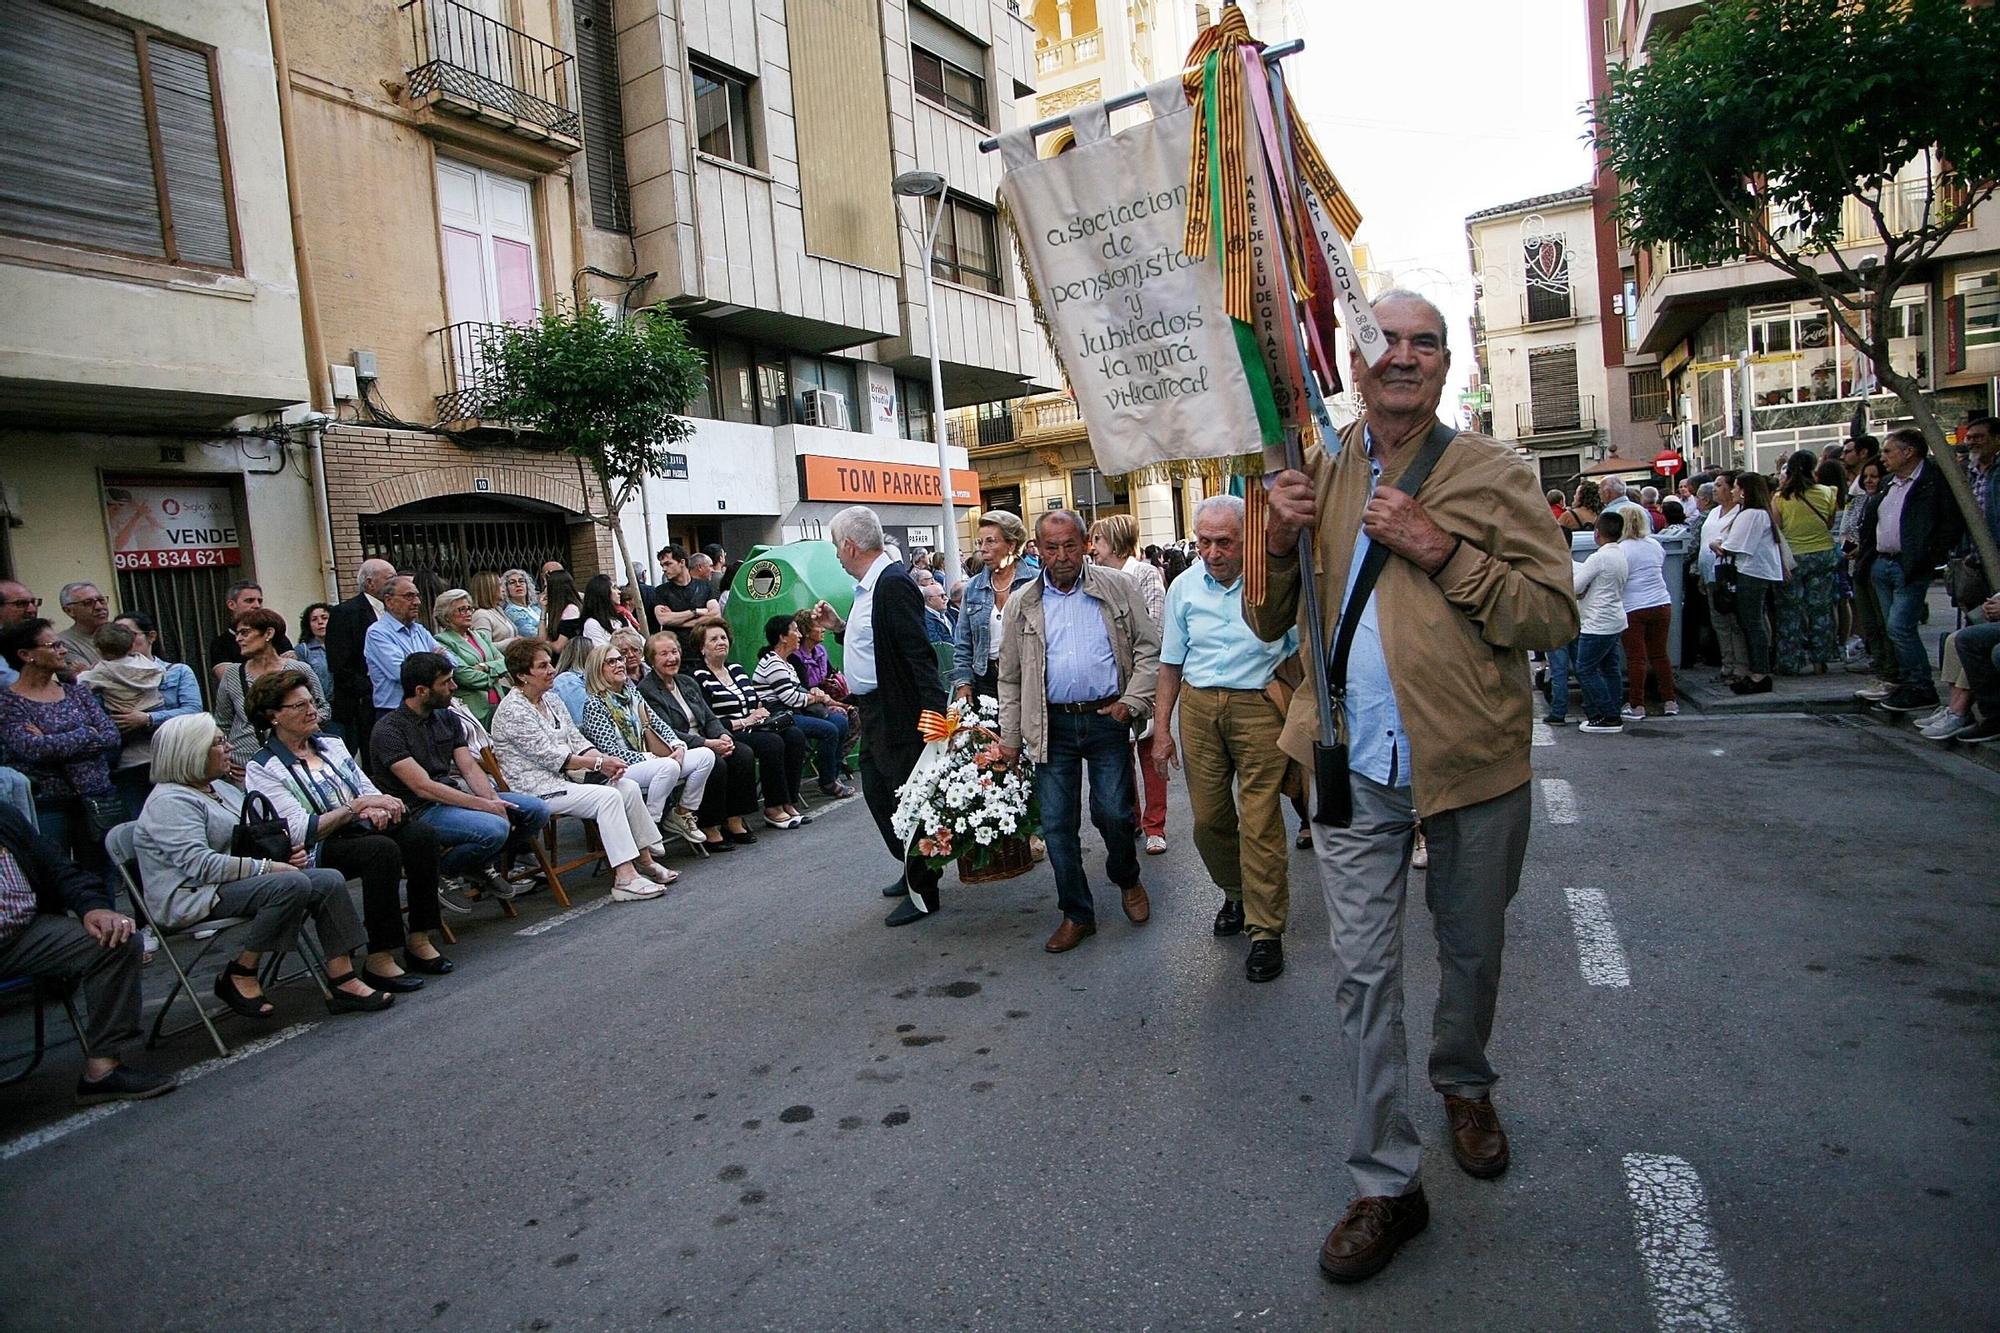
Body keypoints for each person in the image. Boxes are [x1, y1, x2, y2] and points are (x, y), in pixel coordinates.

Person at [1251, 290, 1578, 1282]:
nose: (1400, 356)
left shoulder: (1494, 472)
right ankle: (1384, 1183)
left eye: (1421, 344)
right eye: (1383, 341)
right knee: (1360, 975)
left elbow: (1551, 614)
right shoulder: (1315, 470)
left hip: (1471, 766)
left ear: (1444, 365)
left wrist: (1443, 550)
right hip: (1349, 765)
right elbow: (1270, 621)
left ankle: (1463, 1080)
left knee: (1470, 950)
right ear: (1355, 361)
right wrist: (1273, 538)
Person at [134, 714, 391, 1017]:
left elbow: (252, 837)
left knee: (327, 880)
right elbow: (199, 866)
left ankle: (342, 977)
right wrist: (267, 867)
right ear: (192, 751)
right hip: (192, 894)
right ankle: (242, 970)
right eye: (218, 742)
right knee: (291, 883)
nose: (229, 747)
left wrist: (283, 856)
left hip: (230, 883)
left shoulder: (221, 788)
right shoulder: (170, 802)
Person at [1149, 495, 1299, 981]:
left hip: (1259, 706)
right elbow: (1170, 662)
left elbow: (1302, 651)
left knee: (1259, 821)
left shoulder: (1270, 582)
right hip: (1197, 707)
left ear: (1247, 539)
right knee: (1210, 820)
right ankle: (1236, 892)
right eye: (1203, 542)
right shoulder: (1184, 587)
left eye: (1224, 542)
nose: (1212, 553)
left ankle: (1265, 931)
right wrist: (1161, 729)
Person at [998, 508, 1159, 954]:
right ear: (1038, 549)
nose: (1062, 556)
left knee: (1113, 812)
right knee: (1056, 825)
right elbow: (1009, 676)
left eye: (1070, 545)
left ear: (1086, 543)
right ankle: (1077, 913)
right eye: (1051, 548)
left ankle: (1127, 878)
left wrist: (1132, 703)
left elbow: (1149, 647)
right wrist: (1011, 737)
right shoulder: (1022, 603)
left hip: (1107, 718)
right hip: (1051, 725)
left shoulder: (1118, 587)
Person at [243, 672, 447, 991]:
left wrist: (374, 806)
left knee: (420, 836)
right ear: (274, 716)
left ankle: (420, 936)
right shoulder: (265, 766)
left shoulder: (331, 745)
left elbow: (370, 792)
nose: (313, 711)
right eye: (300, 705)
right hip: (316, 849)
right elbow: (299, 830)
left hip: (357, 830)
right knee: (381, 851)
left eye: (312, 702)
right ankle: (380, 956)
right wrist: (357, 808)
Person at [808, 506, 947, 927]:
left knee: (906, 799)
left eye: (836, 547)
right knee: (878, 792)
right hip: (874, 709)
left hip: (898, 711)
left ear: (851, 545)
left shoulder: (892, 585)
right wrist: (840, 628)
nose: (836, 555)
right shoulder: (871, 587)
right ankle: (911, 869)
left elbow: (917, 652)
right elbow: (875, 641)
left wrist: (934, 715)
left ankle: (924, 888)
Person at [0, 802, 176, 1102]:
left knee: (115, 939)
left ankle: (103, 1067)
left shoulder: (4, 815)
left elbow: (56, 865)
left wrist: (93, 907)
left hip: (23, 932)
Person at [490, 638, 676, 900]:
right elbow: (553, 757)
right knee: (608, 797)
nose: (552, 670)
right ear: (522, 676)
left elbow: (579, 743)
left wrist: (607, 762)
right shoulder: (512, 711)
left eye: (550, 664)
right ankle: (625, 877)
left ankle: (645, 860)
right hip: (534, 790)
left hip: (564, 782)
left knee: (627, 785)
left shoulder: (552, 700)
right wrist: (600, 763)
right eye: (542, 666)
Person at [370, 652, 547, 900]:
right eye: (445, 683)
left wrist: (493, 800)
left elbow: (469, 768)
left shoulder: (447, 717)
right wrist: (484, 805)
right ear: (421, 690)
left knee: (535, 810)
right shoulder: (388, 731)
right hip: (419, 810)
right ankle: (442, 870)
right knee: (495, 828)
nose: (454, 687)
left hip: (453, 797)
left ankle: (478, 863)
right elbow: (423, 787)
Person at [1856, 429, 1965, 713]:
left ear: (1909, 452)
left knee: (1899, 626)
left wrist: (1928, 556)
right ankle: (1905, 683)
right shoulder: (1891, 483)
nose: (1883, 457)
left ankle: (1920, 687)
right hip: (1883, 562)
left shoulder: (1933, 481)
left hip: (1910, 565)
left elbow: (1950, 524)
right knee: (1890, 628)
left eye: (1888, 451)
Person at [0, 618, 122, 858]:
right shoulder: (8, 702)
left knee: (103, 874)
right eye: (54, 645)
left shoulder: (77, 692)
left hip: (96, 798)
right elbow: (33, 749)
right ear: (26, 655)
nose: (63, 650)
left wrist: (51, 738)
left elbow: (111, 737)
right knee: (57, 875)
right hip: (48, 805)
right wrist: (87, 733)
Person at [1089, 512, 1171, 857]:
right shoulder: (1093, 577)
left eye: (1099, 541)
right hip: (1108, 680)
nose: (1092, 548)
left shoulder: (1144, 574)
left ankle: (1156, 825)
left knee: (1150, 752)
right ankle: (1133, 818)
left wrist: (1142, 683)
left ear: (1117, 543)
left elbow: (1153, 630)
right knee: (1118, 754)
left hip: (1142, 677)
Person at [579, 641, 712, 845]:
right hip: (616, 771)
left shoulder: (632, 694)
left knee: (705, 755)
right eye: (611, 662)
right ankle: (651, 826)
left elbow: (658, 724)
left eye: (620, 659)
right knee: (667, 765)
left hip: (650, 762)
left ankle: (681, 813)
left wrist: (677, 745)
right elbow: (609, 752)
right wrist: (650, 757)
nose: (620, 664)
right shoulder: (594, 704)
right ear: (598, 669)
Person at [638, 631, 758, 851]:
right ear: (651, 660)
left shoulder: (686, 682)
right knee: (716, 763)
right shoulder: (646, 690)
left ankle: (733, 819)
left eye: (674, 652)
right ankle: (710, 827)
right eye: (663, 654)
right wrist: (707, 744)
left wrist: (723, 736)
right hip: (678, 747)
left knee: (742, 753)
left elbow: (709, 717)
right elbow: (666, 732)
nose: (671, 658)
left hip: (706, 739)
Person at [691, 624, 809, 830]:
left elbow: (754, 701)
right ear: (702, 648)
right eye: (714, 639)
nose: (721, 642)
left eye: (723, 638)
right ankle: (773, 808)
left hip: (755, 724)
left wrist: (759, 712)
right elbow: (707, 720)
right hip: (728, 730)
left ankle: (788, 800)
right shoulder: (699, 677)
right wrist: (746, 720)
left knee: (794, 735)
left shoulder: (736, 669)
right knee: (771, 743)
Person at [80, 620, 200, 814]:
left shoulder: (177, 672)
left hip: (171, 760)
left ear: (150, 636)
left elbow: (193, 711)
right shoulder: (151, 669)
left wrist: (147, 718)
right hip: (130, 764)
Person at [751, 614, 854, 800]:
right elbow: (790, 698)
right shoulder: (773, 662)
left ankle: (833, 773)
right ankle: (827, 781)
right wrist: (815, 698)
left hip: (794, 711)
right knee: (830, 730)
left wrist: (816, 695)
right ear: (783, 637)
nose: (799, 635)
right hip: (781, 715)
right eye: (795, 630)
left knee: (840, 721)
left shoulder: (786, 662)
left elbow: (798, 691)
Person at [212, 608, 325, 774]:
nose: (238, 639)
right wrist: (227, 762)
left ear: (268, 634)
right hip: (245, 766)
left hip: (294, 761)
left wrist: (296, 720)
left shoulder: (299, 669)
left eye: (245, 632)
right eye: (237, 634)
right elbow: (223, 722)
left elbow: (323, 707)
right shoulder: (233, 674)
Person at [953, 510, 1039, 703]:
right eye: (980, 542)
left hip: (1027, 677)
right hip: (985, 679)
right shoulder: (973, 587)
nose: (983, 548)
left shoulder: (1035, 581)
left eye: (990, 541)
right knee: (988, 733)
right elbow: (963, 640)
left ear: (1011, 544)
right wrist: (963, 682)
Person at [1774, 449, 1842, 675]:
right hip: (1823, 553)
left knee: (1790, 611)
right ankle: (1820, 661)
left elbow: (1778, 530)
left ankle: (1790, 661)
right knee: (1821, 608)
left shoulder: (1780, 497)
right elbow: (1830, 523)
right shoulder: (1828, 492)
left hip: (1793, 556)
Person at [1720, 471, 1786, 696]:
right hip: (1754, 571)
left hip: (1751, 572)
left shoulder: (1752, 514)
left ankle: (1760, 672)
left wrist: (1717, 544)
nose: (1733, 491)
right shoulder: (1758, 513)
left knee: (1752, 622)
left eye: (1736, 487)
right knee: (1752, 622)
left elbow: (1734, 545)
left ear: (1745, 490)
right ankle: (1757, 670)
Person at [1615, 506, 1677, 720]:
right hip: (1661, 602)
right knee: (1660, 654)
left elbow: (1619, 579)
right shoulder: (1654, 545)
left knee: (1636, 658)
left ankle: (1637, 704)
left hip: (1633, 606)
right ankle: (1670, 700)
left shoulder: (1621, 549)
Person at [1574, 512, 1632, 733]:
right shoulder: (1620, 555)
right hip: (1615, 618)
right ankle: (1613, 710)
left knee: (1585, 669)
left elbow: (1576, 586)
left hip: (1597, 621)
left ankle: (1607, 715)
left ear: (1597, 533)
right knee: (1610, 668)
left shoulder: (1598, 558)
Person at [327, 558, 394, 745]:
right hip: (363, 703)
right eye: (390, 578)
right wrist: (371, 689)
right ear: (370, 582)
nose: (394, 584)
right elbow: (339, 663)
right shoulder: (346, 612)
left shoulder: (394, 611)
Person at [364, 575, 441, 729]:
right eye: (409, 596)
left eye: (417, 596)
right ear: (389, 601)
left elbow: (451, 662)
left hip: (427, 708)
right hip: (395, 712)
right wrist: (435, 659)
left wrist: (421, 662)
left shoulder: (419, 630)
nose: (417, 602)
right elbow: (401, 673)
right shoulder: (377, 633)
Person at [433, 588, 507, 727]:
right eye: (461, 610)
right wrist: (497, 672)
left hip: (499, 703)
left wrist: (485, 667)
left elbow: (505, 662)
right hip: (474, 710)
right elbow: (465, 676)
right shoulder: (442, 641)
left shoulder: (479, 636)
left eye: (469, 609)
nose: (468, 613)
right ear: (446, 615)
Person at [205, 580, 292, 677]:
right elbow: (231, 679)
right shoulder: (221, 644)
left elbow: (291, 671)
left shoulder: (274, 635)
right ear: (231, 605)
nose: (257, 606)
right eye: (249, 601)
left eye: (259, 601)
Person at [649, 546, 723, 643]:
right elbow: (664, 619)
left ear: (682, 562)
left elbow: (715, 615)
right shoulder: (661, 591)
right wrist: (695, 612)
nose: (664, 569)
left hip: (701, 646)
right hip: (676, 648)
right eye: (662, 565)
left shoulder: (705, 586)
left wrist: (677, 621)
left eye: (668, 564)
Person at [54, 582, 111, 672]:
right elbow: (88, 678)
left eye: (101, 600)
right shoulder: (63, 643)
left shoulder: (122, 632)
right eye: (88, 603)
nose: (99, 607)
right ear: (69, 611)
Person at [295, 602, 337, 703]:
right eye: (314, 619)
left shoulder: (343, 645)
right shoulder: (303, 650)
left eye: (324, 618)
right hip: (321, 704)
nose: (320, 622)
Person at [540, 569, 583, 653]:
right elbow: (542, 638)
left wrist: (544, 644)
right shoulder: (557, 610)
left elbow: (559, 647)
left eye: (546, 587)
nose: (544, 591)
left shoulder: (571, 610)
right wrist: (543, 611)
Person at [468, 571, 518, 644]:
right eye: (500, 585)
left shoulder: (498, 609)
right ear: (489, 589)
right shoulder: (481, 615)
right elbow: (485, 647)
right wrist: (512, 642)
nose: (503, 589)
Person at [578, 573, 623, 648]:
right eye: (614, 588)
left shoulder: (621, 619)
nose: (619, 592)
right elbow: (603, 653)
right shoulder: (592, 624)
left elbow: (640, 641)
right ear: (603, 592)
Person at [499, 568, 542, 640]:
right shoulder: (511, 612)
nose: (518, 584)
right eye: (512, 582)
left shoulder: (535, 608)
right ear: (506, 589)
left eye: (521, 581)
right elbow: (533, 634)